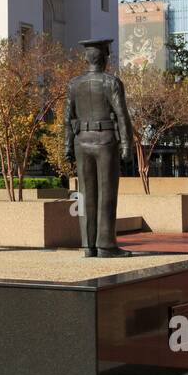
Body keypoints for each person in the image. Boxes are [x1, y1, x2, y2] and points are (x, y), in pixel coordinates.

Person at [63, 38, 134, 257]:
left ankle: (88, 245)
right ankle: (105, 245)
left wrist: (67, 146)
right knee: (106, 193)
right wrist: (126, 145)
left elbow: (67, 118)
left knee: (84, 195)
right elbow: (122, 115)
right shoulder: (111, 82)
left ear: (87, 58)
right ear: (104, 58)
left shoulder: (74, 84)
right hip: (105, 141)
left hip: (81, 141)